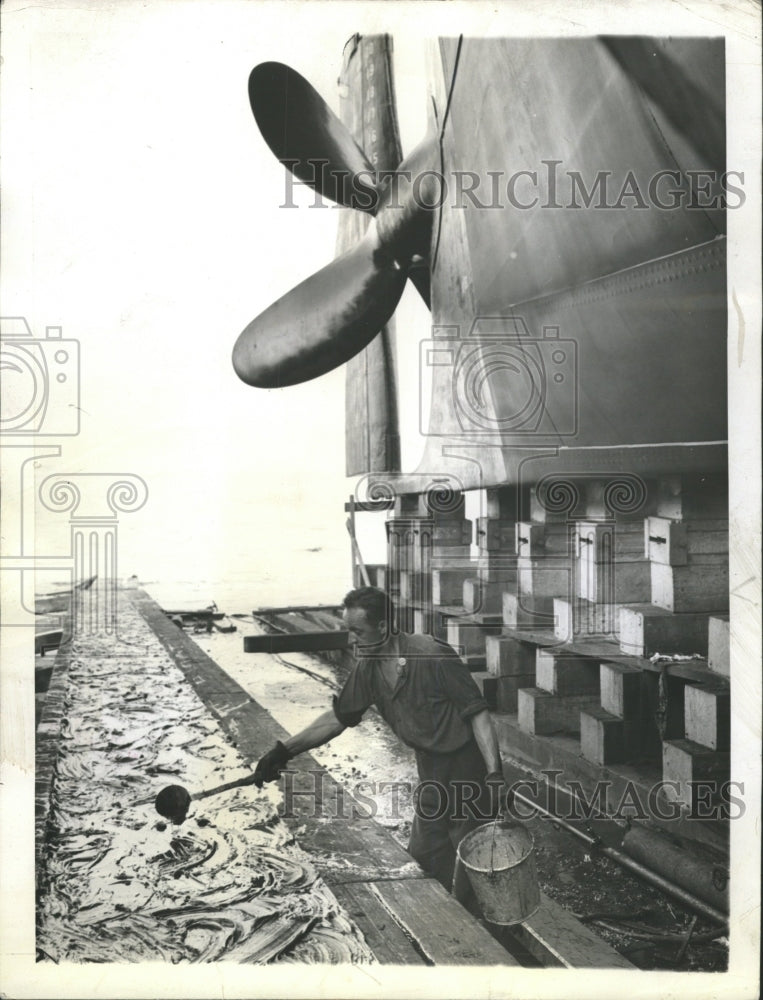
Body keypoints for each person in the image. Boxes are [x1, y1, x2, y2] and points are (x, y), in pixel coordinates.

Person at [253, 586, 507, 903]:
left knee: (475, 865)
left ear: (383, 627)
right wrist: (283, 751)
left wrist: (495, 775)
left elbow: (478, 714)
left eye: (358, 631)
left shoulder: (430, 654)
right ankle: (445, 926)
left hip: (467, 769)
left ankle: (488, 934)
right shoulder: (368, 669)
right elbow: (336, 719)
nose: (351, 640)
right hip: (430, 771)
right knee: (422, 859)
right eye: (348, 630)